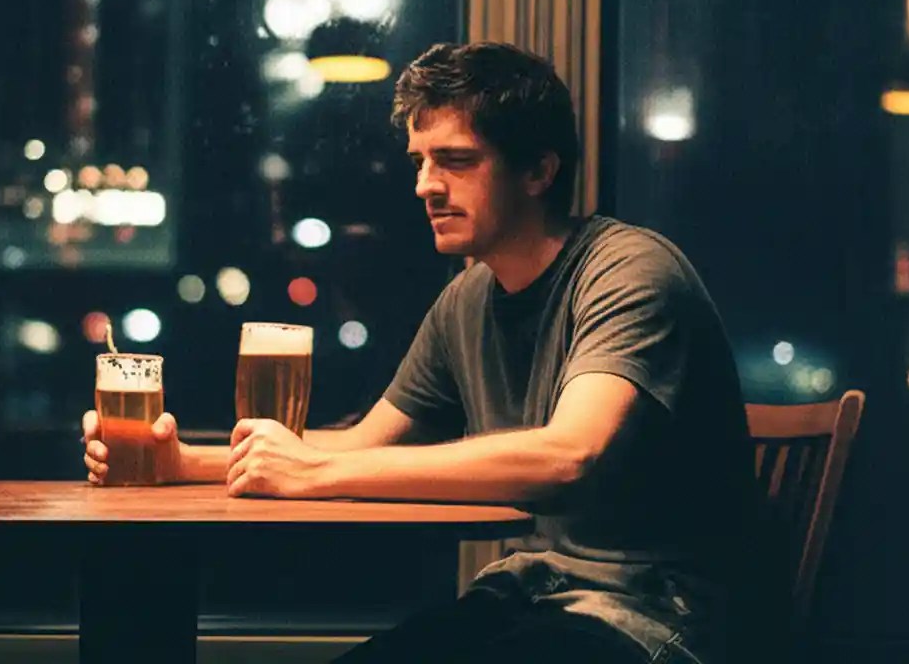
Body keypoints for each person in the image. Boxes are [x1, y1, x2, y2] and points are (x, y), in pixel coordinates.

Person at [82, 42, 782, 663]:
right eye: (420, 161)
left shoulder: (629, 271)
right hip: (538, 599)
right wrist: (177, 463)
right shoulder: (469, 298)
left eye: (456, 161)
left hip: (658, 621)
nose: (424, 185)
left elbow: (570, 455)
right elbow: (360, 443)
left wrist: (313, 474)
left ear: (539, 170)